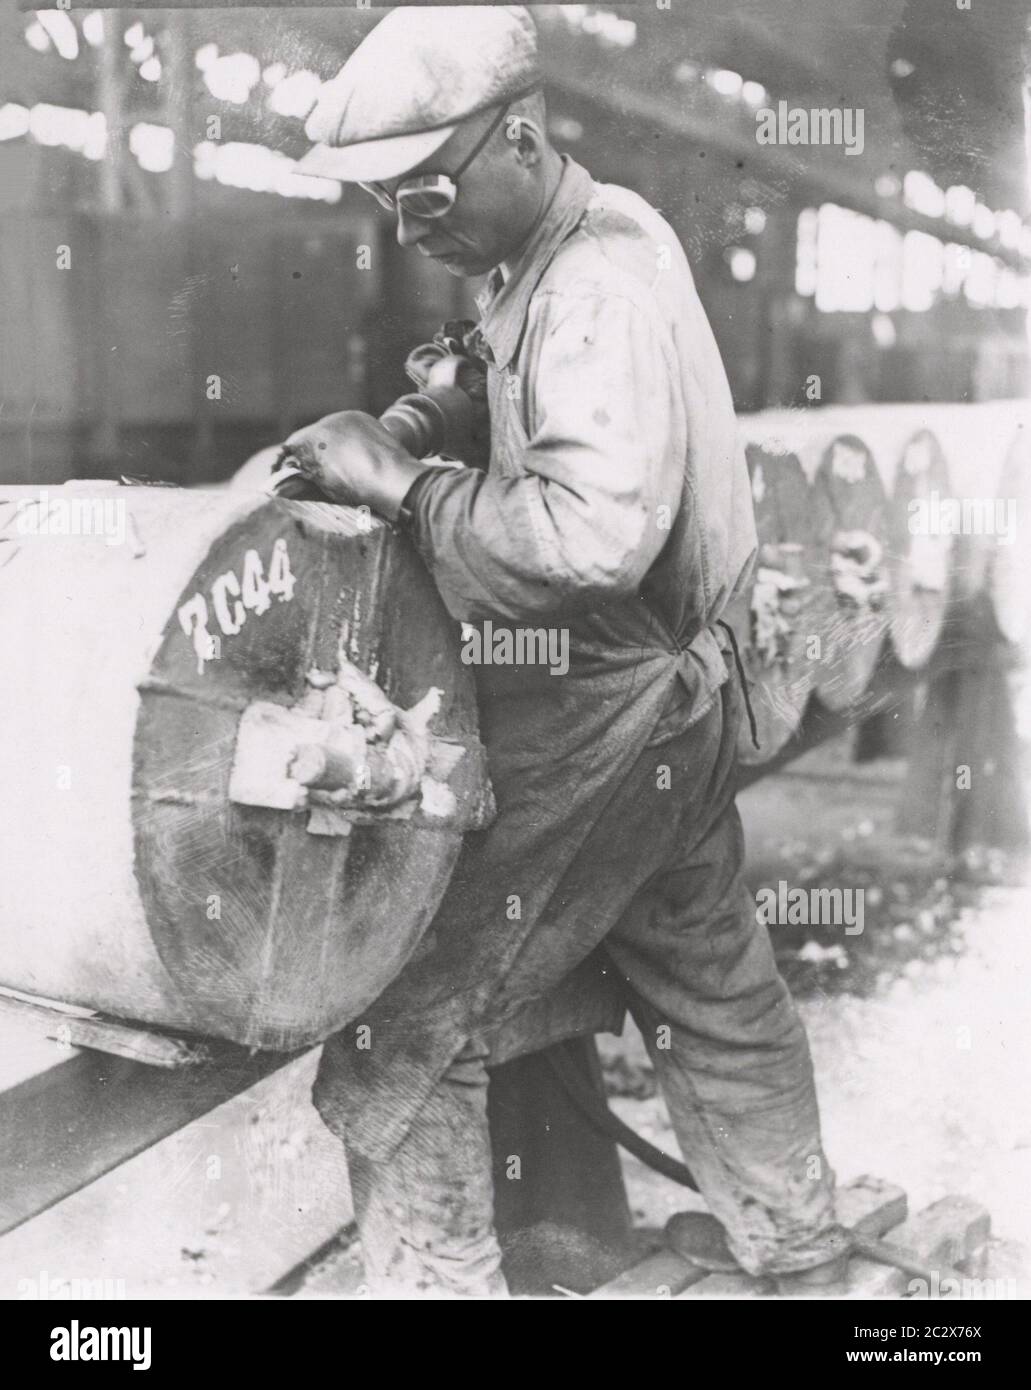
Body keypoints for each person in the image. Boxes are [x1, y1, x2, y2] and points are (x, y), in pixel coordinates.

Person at [286, 5, 847, 1296]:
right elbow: (513, 381)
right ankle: (805, 1248)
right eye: (389, 203)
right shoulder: (580, 236)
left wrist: (401, 487)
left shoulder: (593, 283)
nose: (405, 228)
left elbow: (594, 535)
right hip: (678, 701)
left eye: (424, 196)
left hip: (617, 708)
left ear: (520, 140)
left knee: (404, 1011)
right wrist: (425, 412)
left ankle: (439, 1281)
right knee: (709, 979)